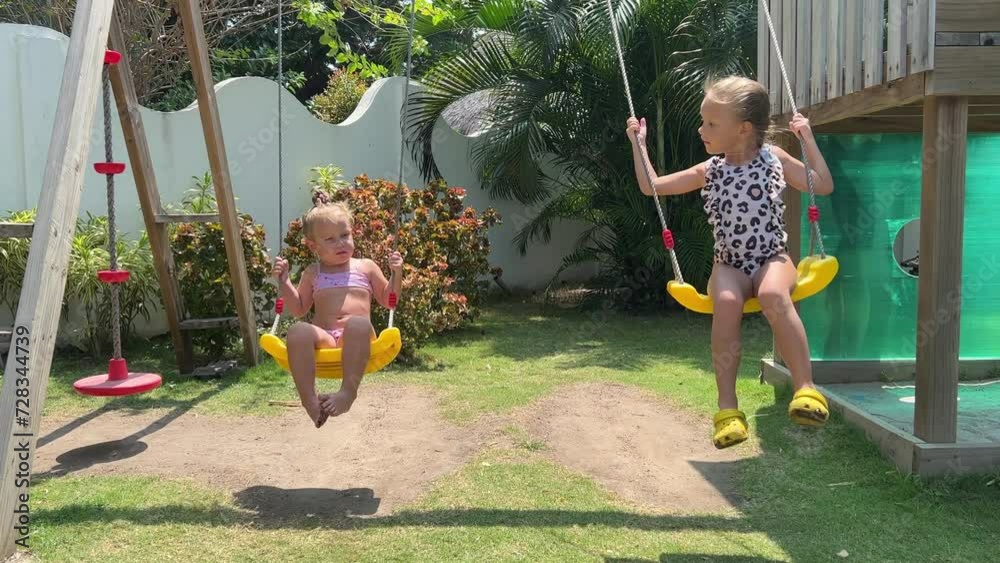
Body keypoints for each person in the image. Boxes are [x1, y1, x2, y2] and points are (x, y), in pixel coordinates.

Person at [625, 75, 834, 449]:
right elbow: (651, 186)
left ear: (743, 129)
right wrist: (638, 146)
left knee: (773, 295)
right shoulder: (710, 170)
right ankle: (727, 411)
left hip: (773, 257)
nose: (701, 129)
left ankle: (806, 389)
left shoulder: (775, 159)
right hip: (730, 264)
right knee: (725, 302)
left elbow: (822, 183)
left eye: (710, 124)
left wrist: (808, 140)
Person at [272, 201, 403, 428]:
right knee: (297, 331)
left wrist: (396, 273)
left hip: (355, 337)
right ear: (314, 247)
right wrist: (284, 282)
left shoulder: (366, 266)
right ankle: (309, 401)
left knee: (358, 323)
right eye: (330, 239)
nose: (340, 243)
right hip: (325, 338)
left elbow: (387, 298)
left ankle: (347, 393)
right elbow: (299, 308)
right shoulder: (313, 273)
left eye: (344, 235)